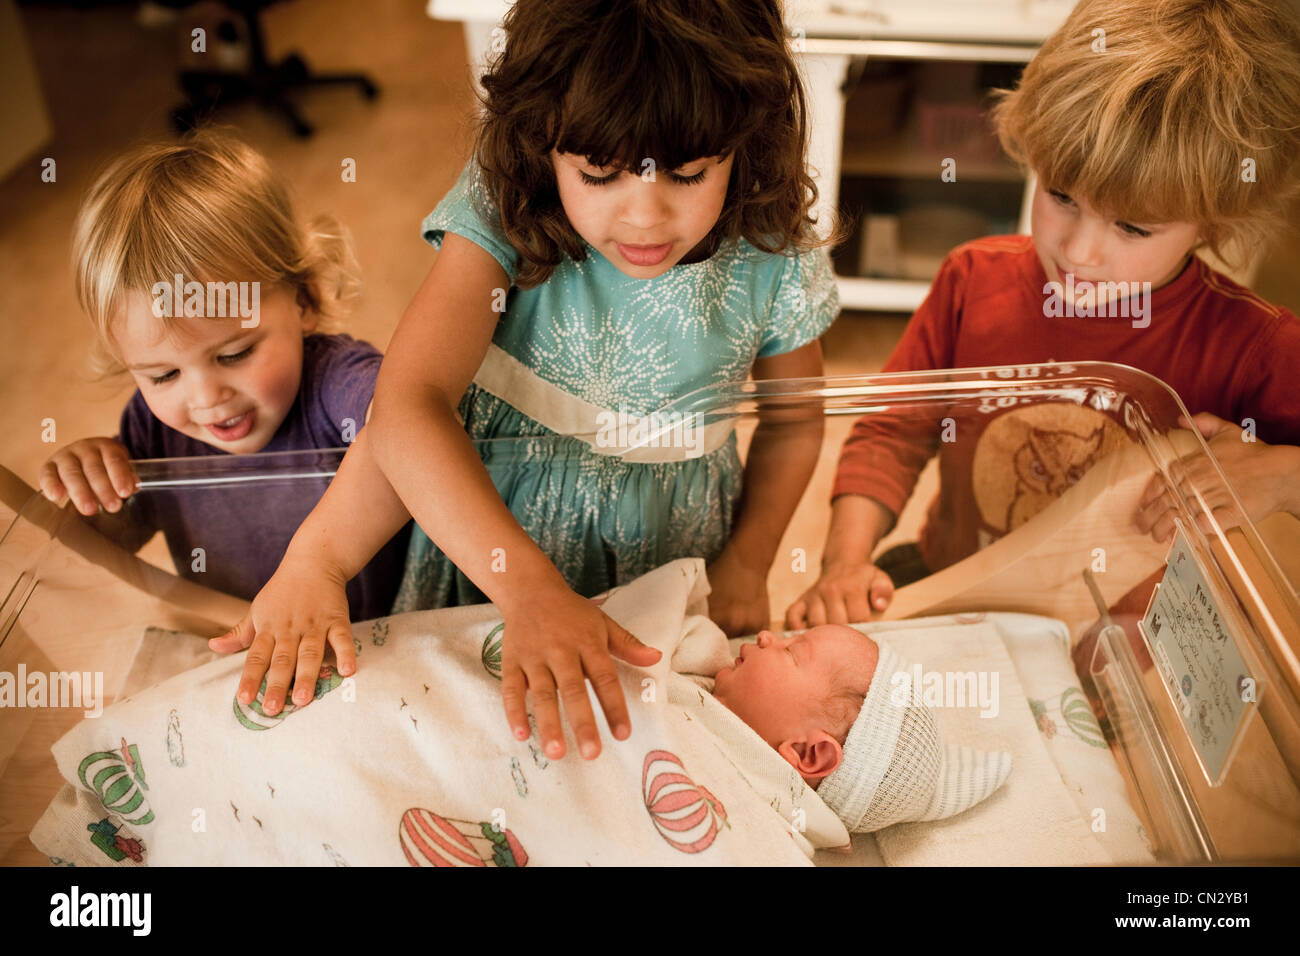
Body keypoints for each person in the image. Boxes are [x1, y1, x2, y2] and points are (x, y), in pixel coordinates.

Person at [212, 0, 844, 759]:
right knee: (474, 751)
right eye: (598, 174)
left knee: (633, 755)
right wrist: (321, 561)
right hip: (488, 549)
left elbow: (797, 421)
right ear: (541, 143)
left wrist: (749, 560)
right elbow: (410, 407)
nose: (644, 216)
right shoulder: (504, 210)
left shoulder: (772, 249)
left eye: (688, 173)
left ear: (749, 140)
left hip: (670, 558)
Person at [787, 0, 1300, 628]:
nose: (1079, 252)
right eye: (1060, 196)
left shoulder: (1258, 347)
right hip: (953, 590)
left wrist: (1284, 474)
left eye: (1133, 227)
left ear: (1213, 223)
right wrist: (844, 562)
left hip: (1120, 644)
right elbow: (893, 432)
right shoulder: (974, 280)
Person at [39, 130, 410, 624]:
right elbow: (109, 546)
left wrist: (398, 412)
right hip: (234, 646)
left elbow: (409, 420)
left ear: (306, 301)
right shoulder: (150, 430)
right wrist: (89, 488)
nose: (206, 397)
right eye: (164, 374)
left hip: (375, 642)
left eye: (235, 354)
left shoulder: (334, 380)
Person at [710, 625, 1012, 832]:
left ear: (810, 753)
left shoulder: (748, 824)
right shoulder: (698, 647)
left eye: (790, 653)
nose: (766, 636)